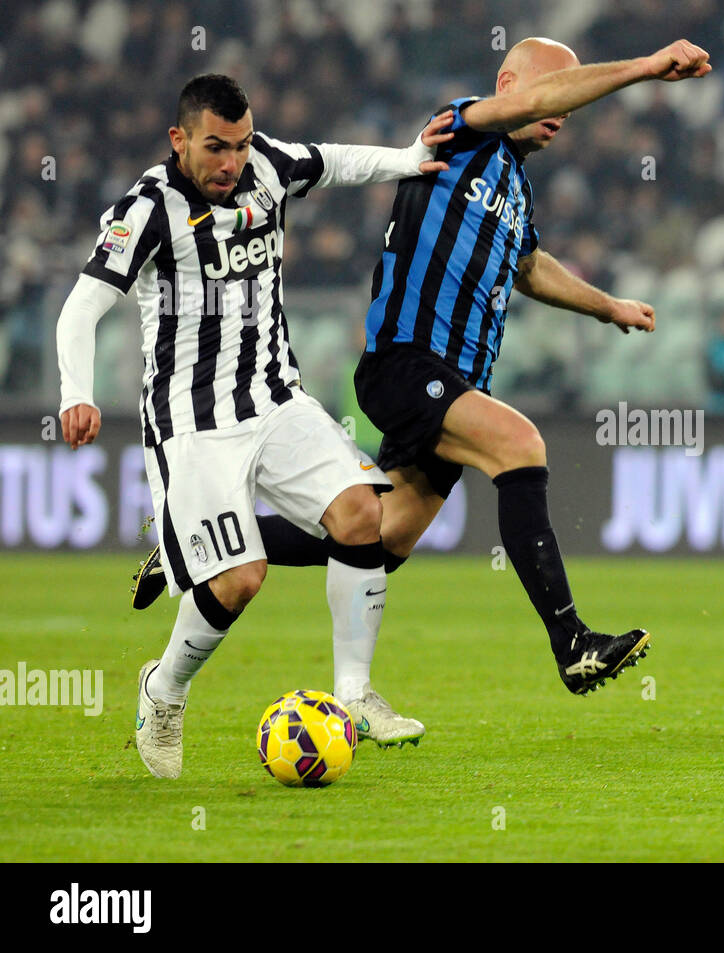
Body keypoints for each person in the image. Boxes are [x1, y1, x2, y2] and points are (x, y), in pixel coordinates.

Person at [132, 38, 713, 696]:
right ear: (507, 83)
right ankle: (571, 641)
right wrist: (643, 67)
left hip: (457, 379)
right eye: (553, 92)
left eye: (566, 103)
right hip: (406, 361)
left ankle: (195, 542)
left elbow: (527, 266)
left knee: (382, 539)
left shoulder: (514, 184)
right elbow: (536, 102)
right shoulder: (460, 129)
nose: (561, 111)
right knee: (521, 445)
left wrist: (606, 307)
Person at [59, 74, 459, 775]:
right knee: (242, 578)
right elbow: (82, 307)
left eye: (241, 147)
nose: (232, 163)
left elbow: (330, 161)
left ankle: (355, 696)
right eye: (216, 147)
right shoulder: (147, 207)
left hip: (277, 400)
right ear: (179, 139)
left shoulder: (267, 165)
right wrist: (75, 392)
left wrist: (403, 156)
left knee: (363, 514)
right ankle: (165, 688)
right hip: (193, 424)